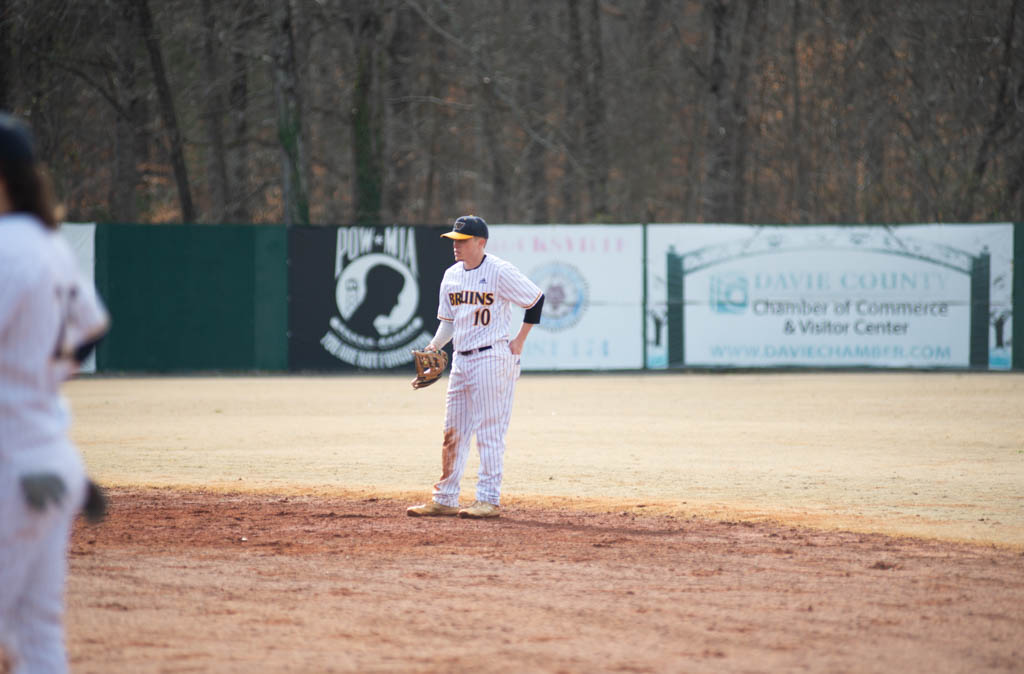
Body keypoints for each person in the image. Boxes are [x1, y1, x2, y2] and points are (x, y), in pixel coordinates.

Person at [0, 113, 110, 674]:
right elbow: (91, 331)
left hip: (10, 468)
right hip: (50, 461)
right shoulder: (47, 244)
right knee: (38, 636)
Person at [408, 215, 544, 519]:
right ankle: (444, 498)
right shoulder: (452, 275)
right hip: (461, 359)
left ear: (480, 243)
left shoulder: (499, 271)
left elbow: (535, 300)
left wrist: (519, 341)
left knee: (489, 432)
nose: (455, 246)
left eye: (462, 241)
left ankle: (488, 499)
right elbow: (449, 323)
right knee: (453, 431)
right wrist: (434, 347)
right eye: (453, 241)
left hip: (492, 357)